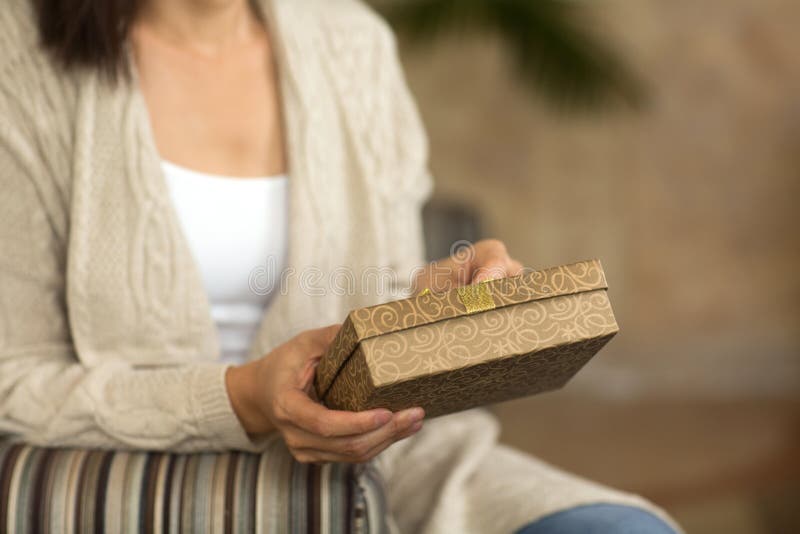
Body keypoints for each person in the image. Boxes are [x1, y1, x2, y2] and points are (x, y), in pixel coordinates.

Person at [0, 0, 680, 532]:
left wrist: (439, 296)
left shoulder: (352, 42)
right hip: (145, 487)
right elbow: (16, 379)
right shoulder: (18, 53)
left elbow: (381, 295)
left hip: (390, 470)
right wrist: (243, 398)